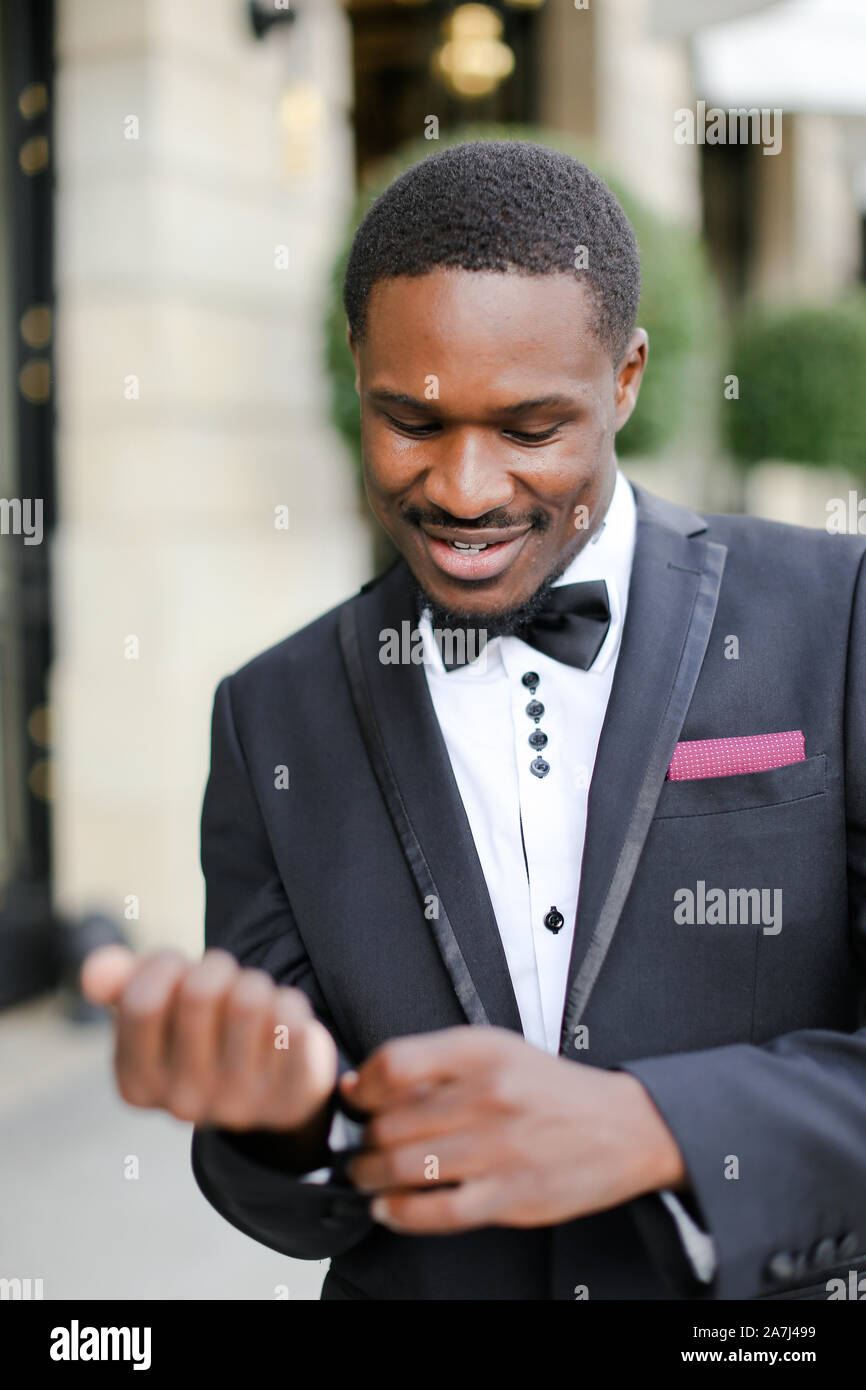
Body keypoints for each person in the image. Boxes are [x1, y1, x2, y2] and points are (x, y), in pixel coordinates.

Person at [82, 140, 866, 1301]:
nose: (462, 490)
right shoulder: (267, 717)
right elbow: (276, 1190)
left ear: (627, 381)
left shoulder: (835, 613)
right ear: (357, 368)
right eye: (410, 420)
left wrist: (652, 1126)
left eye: (528, 429)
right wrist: (288, 1115)